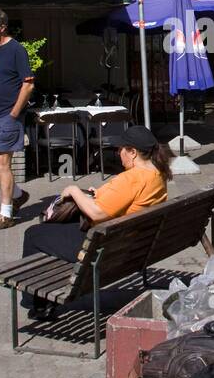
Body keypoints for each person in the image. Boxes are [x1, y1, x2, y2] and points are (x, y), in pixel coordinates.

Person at [20, 127, 171, 302]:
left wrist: (74, 190)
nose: (118, 153)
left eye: (120, 149)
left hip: (107, 251)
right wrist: (98, 194)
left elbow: (97, 213)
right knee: (55, 230)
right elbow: (125, 201)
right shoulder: (157, 174)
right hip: (133, 246)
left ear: (133, 152)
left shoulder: (132, 178)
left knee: (34, 234)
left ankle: (36, 303)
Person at [0, 8, 34, 231]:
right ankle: (18, 194)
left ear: (2, 27)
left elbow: (28, 84)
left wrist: (14, 114)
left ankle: (6, 214)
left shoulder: (17, 50)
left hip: (7, 117)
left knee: (3, 165)